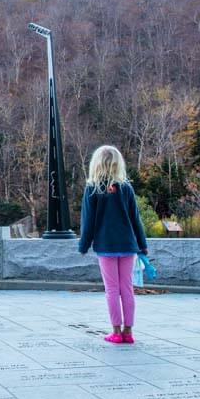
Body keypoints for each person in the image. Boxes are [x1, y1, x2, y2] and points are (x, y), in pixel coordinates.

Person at [78, 145, 148, 344]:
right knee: (127, 288)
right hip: (128, 245)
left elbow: (88, 220)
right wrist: (142, 245)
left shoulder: (92, 189)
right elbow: (136, 219)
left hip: (105, 246)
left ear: (96, 164)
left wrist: (83, 245)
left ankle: (116, 331)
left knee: (111, 289)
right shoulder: (126, 188)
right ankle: (129, 331)